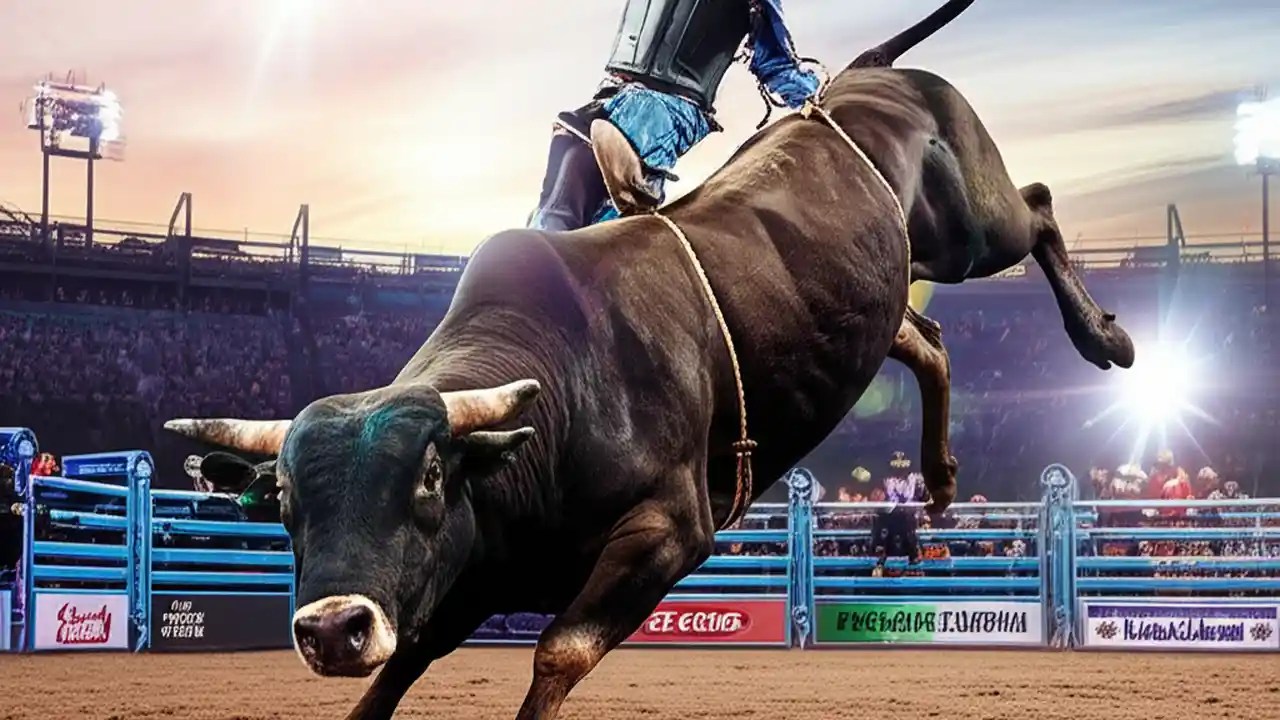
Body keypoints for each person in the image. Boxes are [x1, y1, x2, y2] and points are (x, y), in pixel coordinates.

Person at [527, 0, 820, 232]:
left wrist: (817, 100)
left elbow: (776, 66)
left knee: (603, 217)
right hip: (613, 96)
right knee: (557, 202)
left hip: (667, 108)